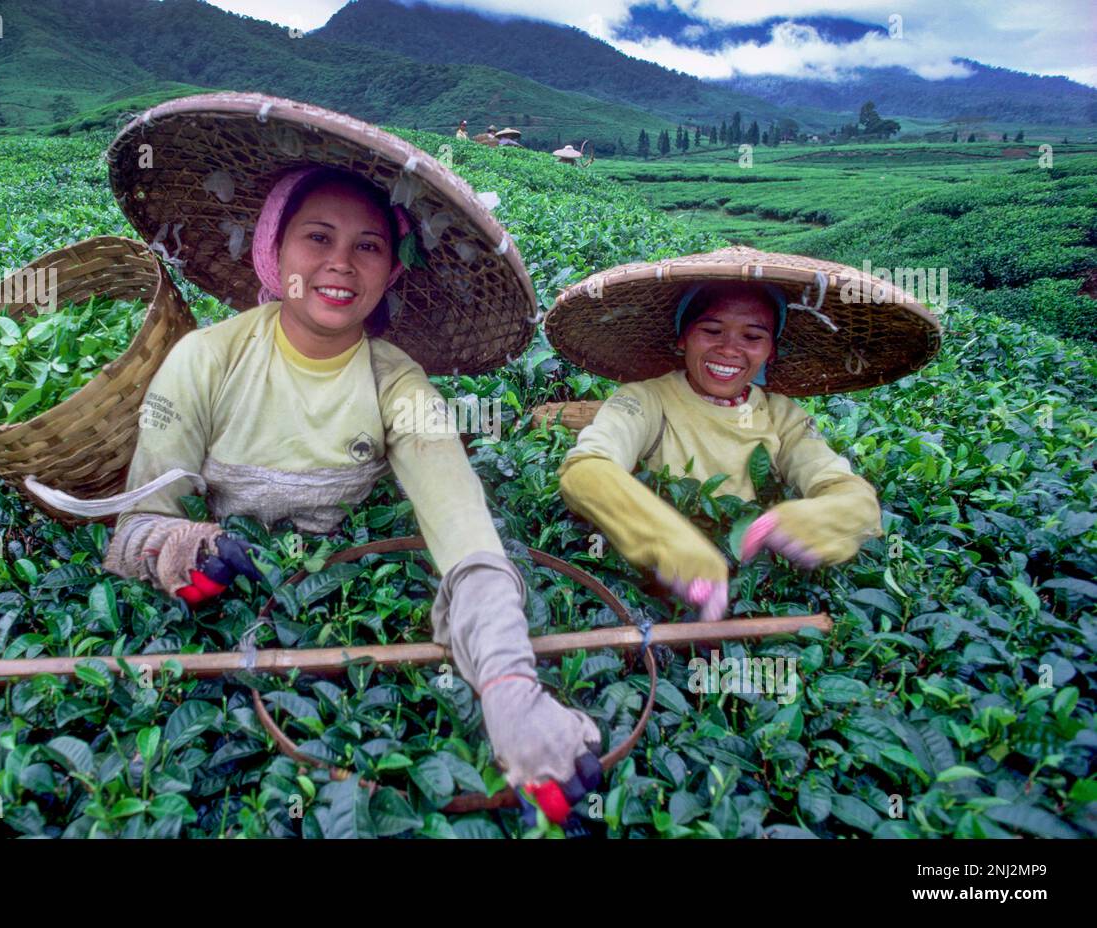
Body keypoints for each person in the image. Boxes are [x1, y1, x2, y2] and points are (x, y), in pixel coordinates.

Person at [82, 94, 600, 823]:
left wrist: (510, 685)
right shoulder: (205, 360)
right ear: (274, 249)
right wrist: (179, 550)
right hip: (237, 612)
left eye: (367, 246)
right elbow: (137, 526)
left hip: (336, 589)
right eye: (316, 238)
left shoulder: (397, 383)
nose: (339, 265)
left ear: (391, 272)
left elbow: (464, 533)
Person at [545, 248, 942, 621]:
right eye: (712, 330)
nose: (730, 349)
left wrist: (830, 516)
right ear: (683, 337)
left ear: (771, 350)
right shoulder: (647, 399)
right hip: (649, 594)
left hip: (751, 593)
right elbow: (586, 470)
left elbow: (844, 487)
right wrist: (666, 540)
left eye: (752, 337)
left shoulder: (782, 416)